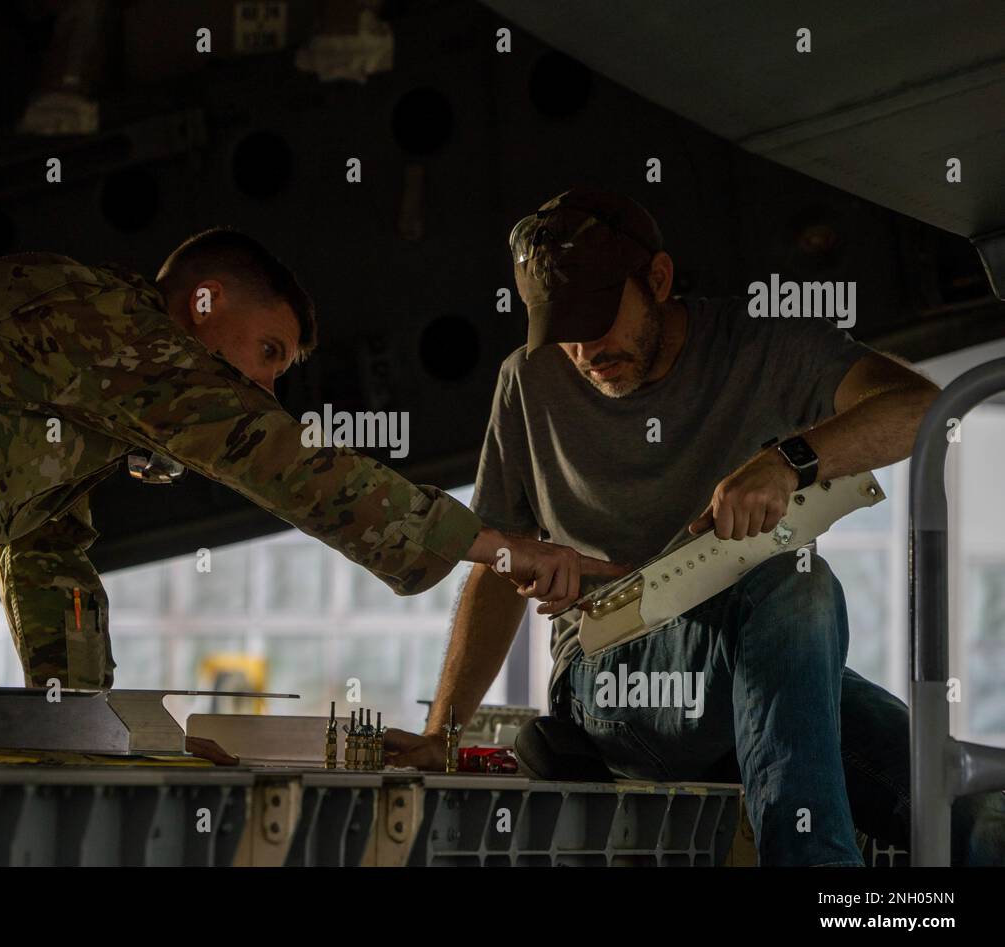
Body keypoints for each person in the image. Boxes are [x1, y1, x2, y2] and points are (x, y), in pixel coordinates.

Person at [385, 187, 1005, 866]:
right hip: (614, 685)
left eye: (599, 318)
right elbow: (496, 566)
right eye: (563, 331)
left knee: (980, 818)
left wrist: (790, 460)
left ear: (658, 280)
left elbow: (920, 408)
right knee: (796, 582)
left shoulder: (765, 348)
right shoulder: (527, 382)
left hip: (771, 671)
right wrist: (442, 730)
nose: (587, 348)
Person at [0, 228, 599, 690]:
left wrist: (72, 713)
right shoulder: (110, 329)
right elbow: (281, 459)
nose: (269, 389)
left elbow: (50, 557)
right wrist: (501, 548)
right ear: (205, 305)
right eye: (270, 356)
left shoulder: (92, 405)